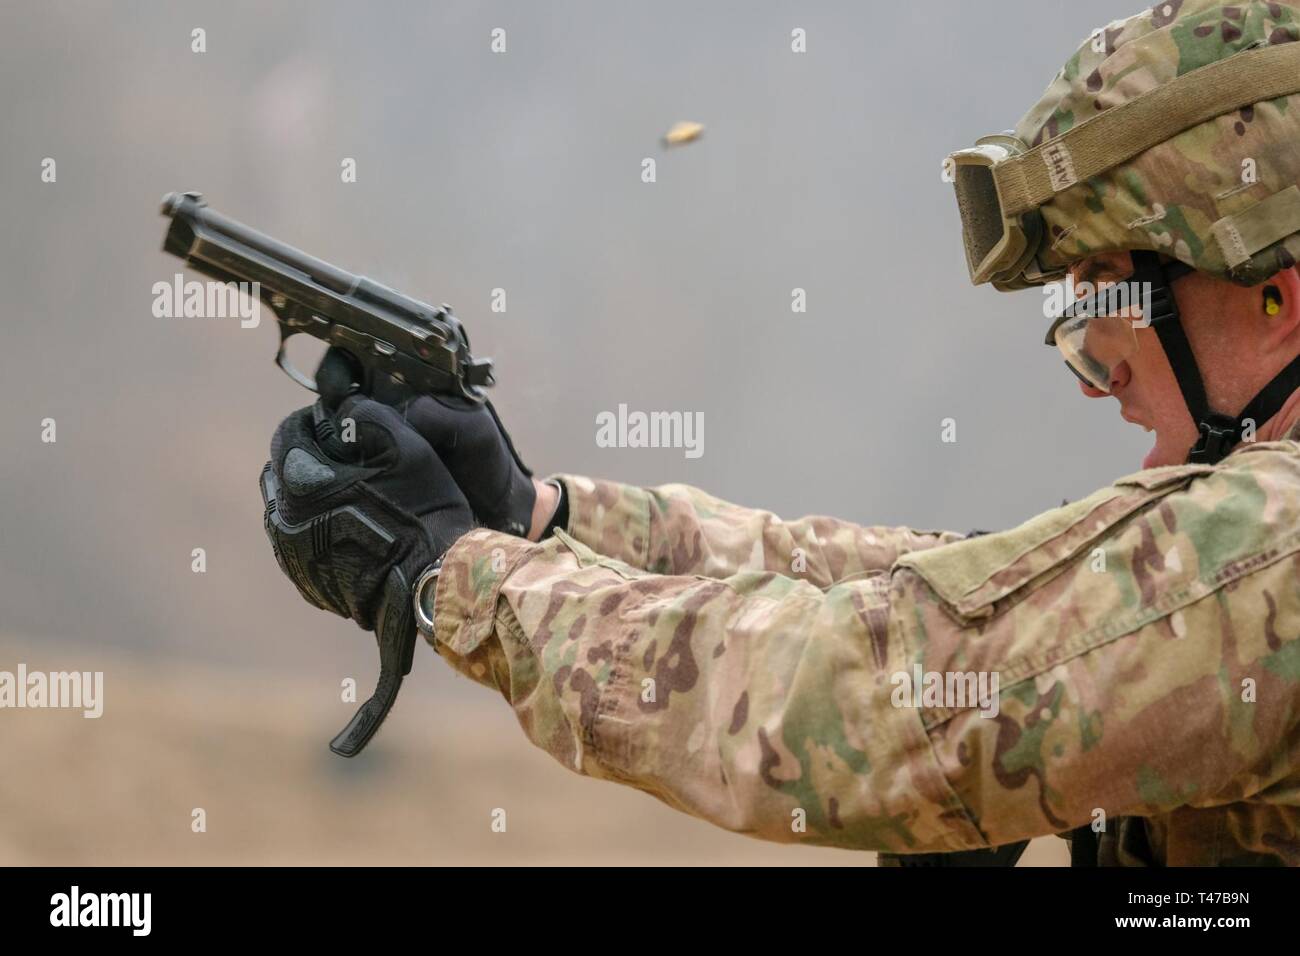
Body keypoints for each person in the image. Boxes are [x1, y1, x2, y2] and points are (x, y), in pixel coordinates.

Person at [260, 0, 1300, 866]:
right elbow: (948, 594)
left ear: (1273, 299)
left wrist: (461, 576)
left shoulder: (1270, 547)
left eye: (1112, 300)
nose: (1097, 371)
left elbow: (861, 694)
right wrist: (539, 518)